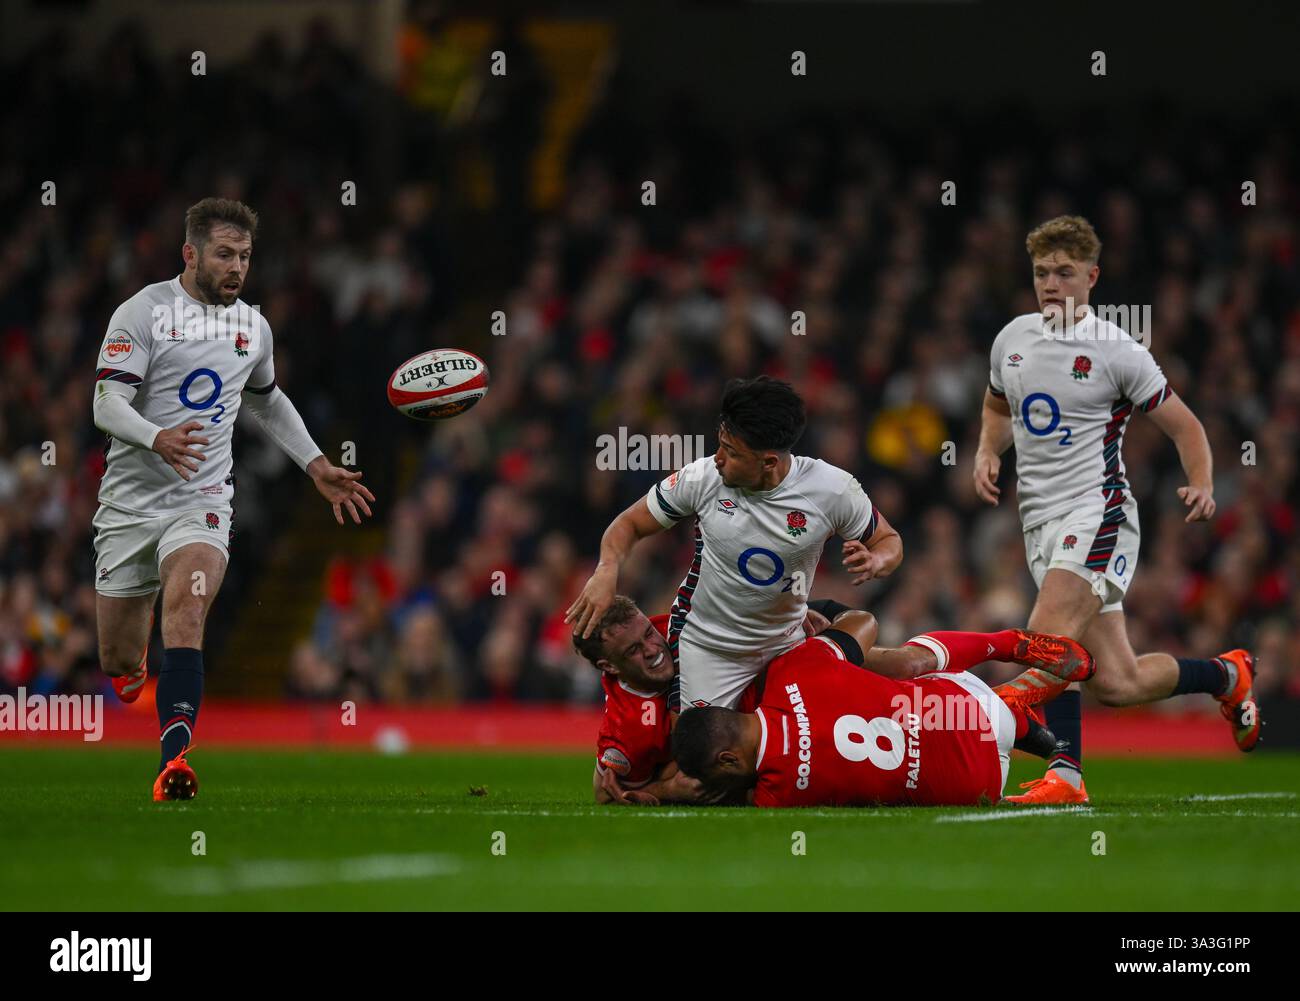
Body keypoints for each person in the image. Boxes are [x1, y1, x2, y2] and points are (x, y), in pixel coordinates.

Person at [91, 197, 376, 801]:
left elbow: (267, 398)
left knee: (187, 613)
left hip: (204, 499)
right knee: (117, 658)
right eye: (224, 254)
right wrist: (156, 436)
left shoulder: (253, 327)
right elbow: (105, 404)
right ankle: (132, 665)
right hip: (129, 505)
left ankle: (174, 762)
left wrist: (316, 463)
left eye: (245, 256)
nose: (237, 267)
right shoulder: (143, 313)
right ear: (190, 253)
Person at [972, 215, 1259, 805]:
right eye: (1041, 273)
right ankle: (1228, 675)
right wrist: (984, 451)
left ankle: (1061, 773)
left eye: (1065, 273)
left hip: (1097, 513)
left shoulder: (1118, 351)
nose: (1051, 284)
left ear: (1092, 277)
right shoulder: (1012, 339)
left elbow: (1186, 427)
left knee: (1047, 637)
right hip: (1039, 523)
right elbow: (998, 408)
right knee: (1119, 683)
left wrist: (1201, 483)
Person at [566, 376, 902, 714]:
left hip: (786, 642)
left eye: (732, 452)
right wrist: (607, 569)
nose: (718, 459)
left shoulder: (831, 491)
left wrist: (877, 562)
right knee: (699, 758)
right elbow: (629, 523)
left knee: (821, 733)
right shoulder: (702, 479)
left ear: (769, 462)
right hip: (707, 647)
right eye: (720, 444)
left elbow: (889, 541)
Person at [578, 596, 1092, 805]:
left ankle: (1009, 652)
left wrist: (803, 614)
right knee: (905, 687)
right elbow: (626, 783)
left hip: (788, 668)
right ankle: (1015, 713)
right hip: (807, 687)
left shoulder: (687, 623)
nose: (654, 647)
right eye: (634, 649)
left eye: (648, 632)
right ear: (609, 667)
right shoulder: (626, 730)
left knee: (900, 668)